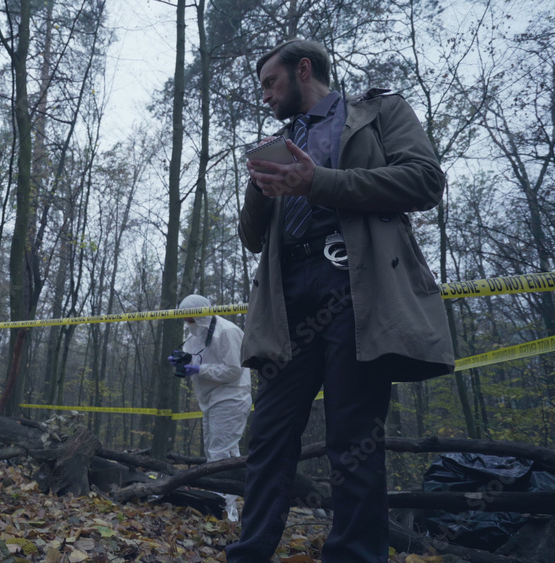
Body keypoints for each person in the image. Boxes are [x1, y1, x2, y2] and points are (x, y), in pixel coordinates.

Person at [226, 39, 454, 562]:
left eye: (270, 83)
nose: (264, 96)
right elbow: (251, 238)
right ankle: (250, 552)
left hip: (357, 287)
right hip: (285, 300)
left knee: (353, 440)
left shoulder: (378, 112)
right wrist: (260, 187)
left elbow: (424, 181)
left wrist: (318, 181)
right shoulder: (280, 143)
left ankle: (353, 555)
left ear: (303, 70)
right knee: (267, 436)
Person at [171, 294, 252, 522]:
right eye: (185, 319)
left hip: (231, 396)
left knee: (220, 454)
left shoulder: (227, 331)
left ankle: (224, 512)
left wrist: (198, 369)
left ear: (202, 315)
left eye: (191, 319)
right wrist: (182, 362)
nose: (188, 323)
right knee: (221, 454)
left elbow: (234, 370)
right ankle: (230, 508)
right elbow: (194, 358)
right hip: (209, 399)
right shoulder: (193, 335)